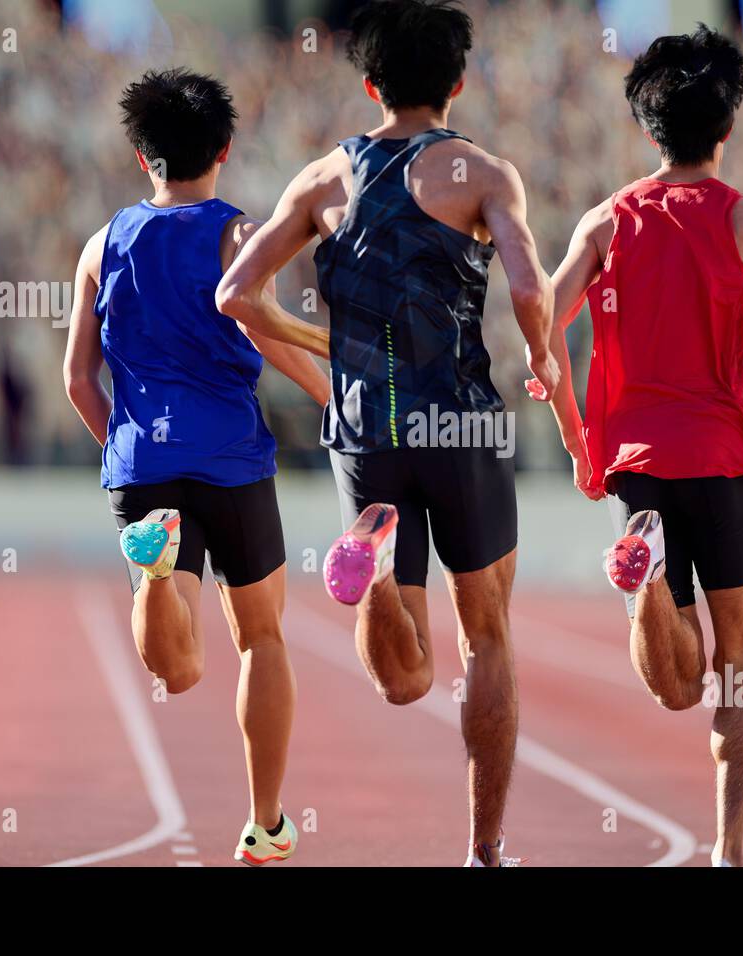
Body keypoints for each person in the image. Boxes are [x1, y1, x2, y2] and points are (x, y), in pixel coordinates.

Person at [216, 0, 558, 866]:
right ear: (458, 82)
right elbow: (526, 283)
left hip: (368, 428)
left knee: (403, 681)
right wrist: (547, 359)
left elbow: (236, 299)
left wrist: (323, 358)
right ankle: (484, 851)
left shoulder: (323, 179)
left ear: (369, 84)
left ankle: (368, 564)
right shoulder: (484, 174)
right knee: (486, 637)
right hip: (460, 421)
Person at [528, 25, 743, 867]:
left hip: (638, 468)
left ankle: (649, 575)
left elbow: (542, 334)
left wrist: (577, 440)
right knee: (741, 665)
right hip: (726, 459)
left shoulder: (606, 221)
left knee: (673, 688)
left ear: (647, 127)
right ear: (727, 128)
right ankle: (729, 853)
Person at [62, 67, 329, 865]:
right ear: (225, 147)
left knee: (175, 668)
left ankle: (154, 572)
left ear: (142, 156)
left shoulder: (100, 243)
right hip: (231, 459)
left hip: (144, 459)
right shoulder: (237, 234)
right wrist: (328, 392)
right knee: (262, 641)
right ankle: (267, 822)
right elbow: (266, 330)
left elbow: (76, 379)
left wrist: (122, 443)